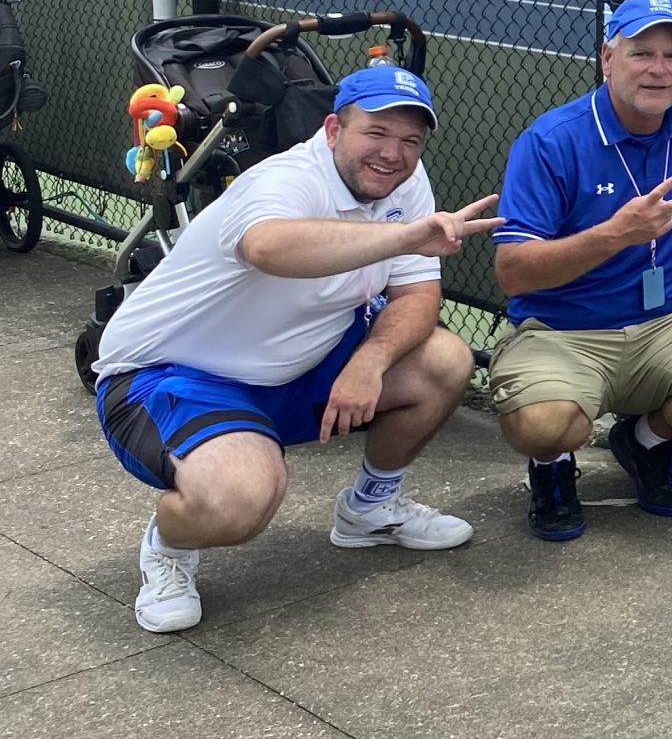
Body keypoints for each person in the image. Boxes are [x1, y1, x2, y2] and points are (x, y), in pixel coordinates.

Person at [92, 65, 496, 632]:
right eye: (376, 133)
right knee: (241, 500)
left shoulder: (402, 180)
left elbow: (418, 294)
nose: (393, 153)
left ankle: (370, 509)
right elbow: (268, 246)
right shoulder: (286, 179)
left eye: (410, 140)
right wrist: (404, 235)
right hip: (172, 373)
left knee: (445, 360)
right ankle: (169, 547)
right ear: (333, 130)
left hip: (301, 364)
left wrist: (370, 361)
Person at [487, 0, 672, 541]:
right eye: (641, 53)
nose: (658, 69)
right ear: (607, 57)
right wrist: (615, 234)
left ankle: (645, 442)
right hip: (563, 329)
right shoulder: (550, 141)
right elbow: (513, 273)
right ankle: (552, 465)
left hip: (670, 319)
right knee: (544, 424)